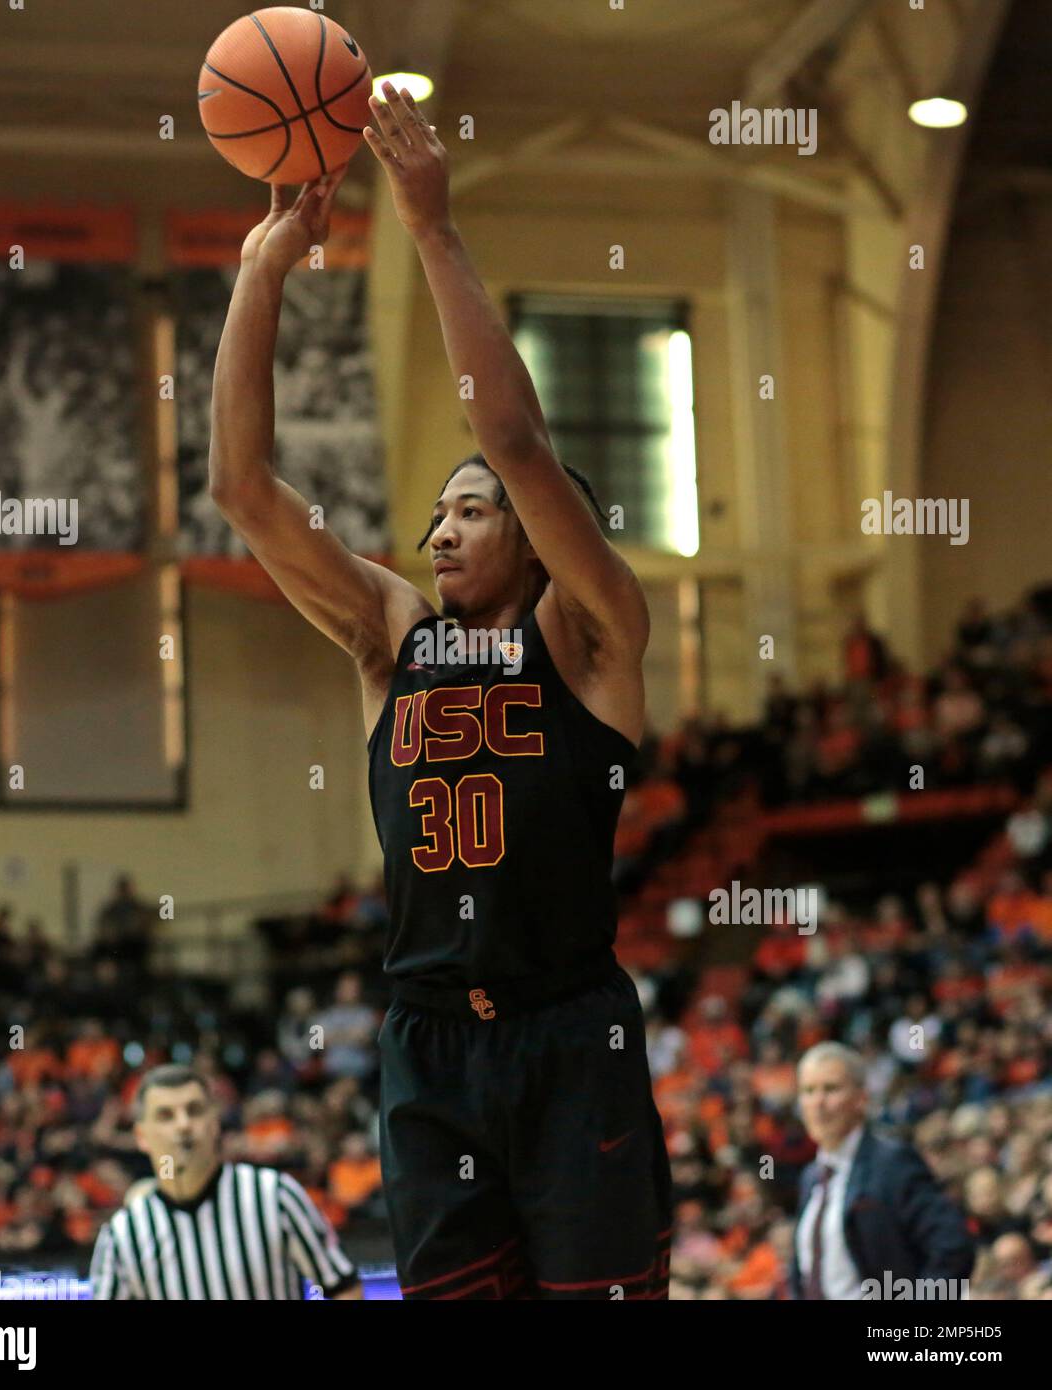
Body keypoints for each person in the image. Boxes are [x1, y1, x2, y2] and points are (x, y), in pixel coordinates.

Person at [210, 81, 671, 1300]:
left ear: (533, 536)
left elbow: (516, 441)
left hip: (569, 1030)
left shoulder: (591, 639)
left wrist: (429, 228)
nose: (439, 532)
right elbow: (245, 489)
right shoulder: (389, 638)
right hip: (427, 1043)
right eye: (435, 514)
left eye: (468, 513)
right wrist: (263, 266)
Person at [89, 1065, 360, 1300]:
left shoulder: (274, 1195)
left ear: (214, 1121)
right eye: (165, 1115)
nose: (183, 1125)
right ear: (141, 1136)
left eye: (194, 1110)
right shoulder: (122, 1235)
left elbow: (341, 1286)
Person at [791, 1042, 975, 1299]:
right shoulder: (811, 1177)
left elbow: (952, 1248)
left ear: (861, 1099)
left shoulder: (891, 1162)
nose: (818, 1102)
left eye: (830, 1089)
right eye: (808, 1091)